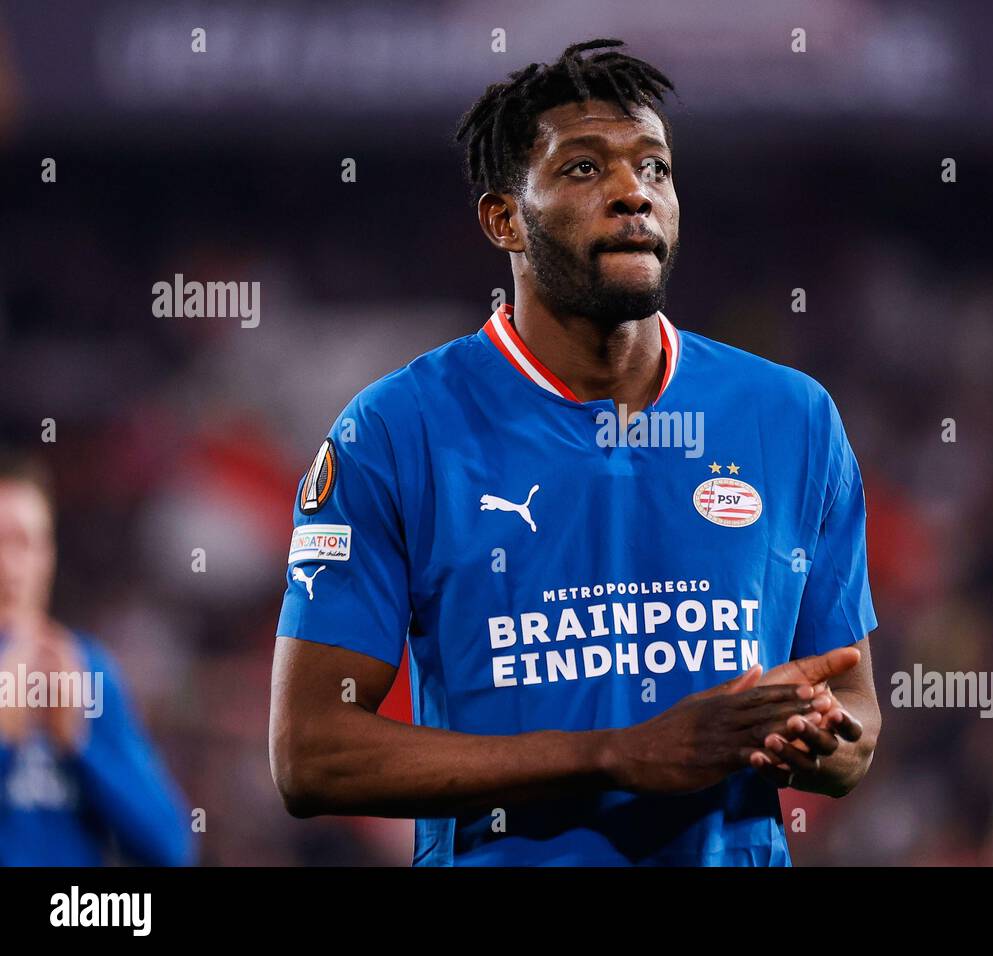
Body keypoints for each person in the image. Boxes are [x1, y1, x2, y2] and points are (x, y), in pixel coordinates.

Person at [271, 38, 881, 866]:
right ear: (503, 219)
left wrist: (820, 743)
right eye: (586, 169)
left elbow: (854, 720)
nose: (634, 193)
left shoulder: (793, 418)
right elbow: (312, 755)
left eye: (655, 169)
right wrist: (616, 755)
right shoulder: (394, 431)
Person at [0, 448, 194, 866]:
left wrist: (82, 746)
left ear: (48, 554)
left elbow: (171, 846)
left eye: (25, 542)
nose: (9, 563)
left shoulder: (83, 669)